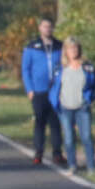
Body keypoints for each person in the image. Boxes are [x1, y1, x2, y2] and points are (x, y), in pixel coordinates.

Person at [48, 36, 95, 176]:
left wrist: (89, 99)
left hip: (82, 108)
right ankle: (72, 165)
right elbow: (53, 88)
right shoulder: (60, 69)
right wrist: (56, 104)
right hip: (65, 108)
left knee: (86, 137)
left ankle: (91, 166)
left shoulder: (87, 67)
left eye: (75, 48)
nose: (73, 51)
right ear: (65, 51)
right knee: (69, 138)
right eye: (70, 48)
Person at [22, 18, 65, 166]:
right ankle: (38, 152)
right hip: (38, 91)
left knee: (55, 122)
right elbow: (26, 69)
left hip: (55, 91)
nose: (47, 29)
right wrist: (30, 89)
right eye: (44, 26)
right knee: (39, 122)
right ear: (40, 28)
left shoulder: (59, 46)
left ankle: (57, 153)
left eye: (50, 26)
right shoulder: (32, 46)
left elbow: (64, 65)